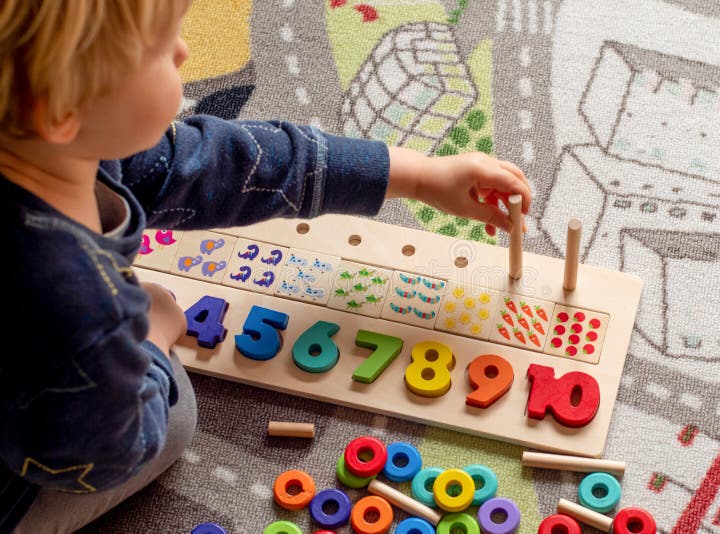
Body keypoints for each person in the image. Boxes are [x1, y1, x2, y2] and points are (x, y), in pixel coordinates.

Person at [0, 1, 532, 532]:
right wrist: (151, 340)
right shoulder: (77, 307)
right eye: (160, 48)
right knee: (171, 414)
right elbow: (101, 454)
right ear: (61, 110)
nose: (186, 51)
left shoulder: (43, 136)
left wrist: (413, 174)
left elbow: (223, 163)